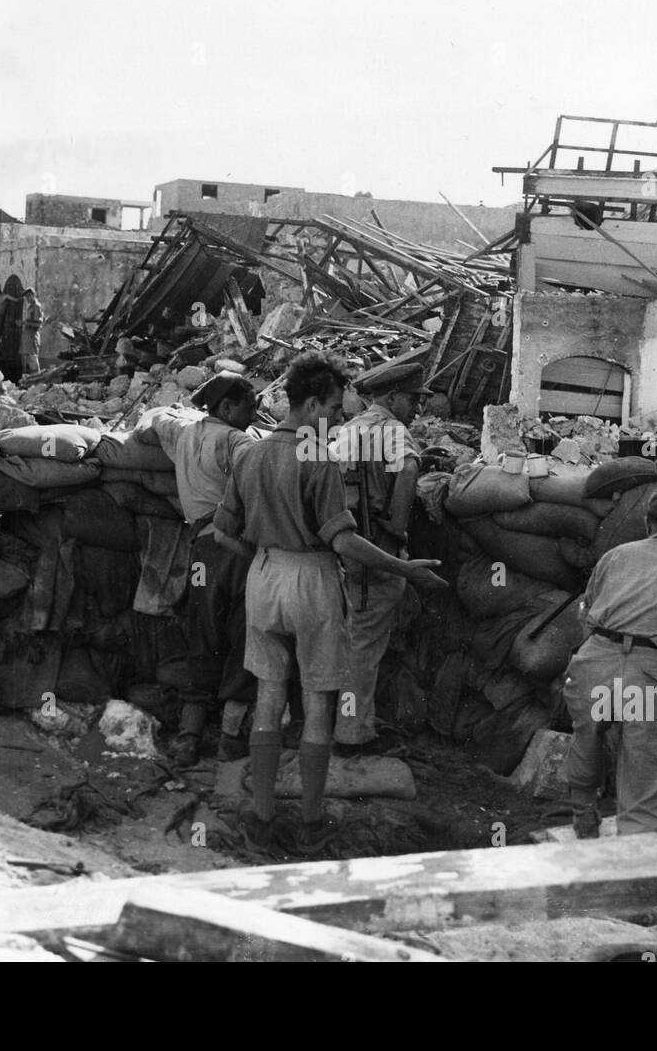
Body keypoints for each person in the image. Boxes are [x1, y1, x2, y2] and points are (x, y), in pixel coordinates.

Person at [212, 351, 447, 853]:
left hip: (264, 576)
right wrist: (402, 566)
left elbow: (221, 530)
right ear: (313, 402)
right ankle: (312, 822)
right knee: (318, 704)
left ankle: (261, 816)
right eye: (336, 408)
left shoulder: (248, 452)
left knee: (270, 698)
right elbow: (342, 542)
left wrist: (262, 555)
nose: (340, 417)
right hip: (312, 577)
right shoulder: (317, 458)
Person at [556, 484, 657, 837]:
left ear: (649, 522)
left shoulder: (616, 556)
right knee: (650, 769)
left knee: (586, 740)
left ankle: (583, 815)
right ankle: (637, 852)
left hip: (595, 660)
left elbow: (587, 612)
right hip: (650, 670)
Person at [150, 371, 261, 765]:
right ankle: (231, 735)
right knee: (243, 634)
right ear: (227, 407)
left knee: (203, 632)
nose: (256, 412)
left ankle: (188, 734)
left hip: (200, 550)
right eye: (250, 405)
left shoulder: (184, 435)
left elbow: (158, 418)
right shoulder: (236, 441)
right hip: (235, 548)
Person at [331, 361, 432, 755]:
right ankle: (351, 735)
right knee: (364, 649)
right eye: (411, 399)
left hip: (347, 547)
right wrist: (397, 526)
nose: (417, 408)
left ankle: (351, 722)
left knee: (351, 639)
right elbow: (407, 472)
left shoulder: (345, 430)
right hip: (378, 549)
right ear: (391, 397)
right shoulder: (393, 431)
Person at [20, 287, 44, 375]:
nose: (27, 299)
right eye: (26, 297)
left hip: (32, 336)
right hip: (28, 336)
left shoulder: (36, 306)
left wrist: (24, 323)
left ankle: (37, 380)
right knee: (29, 360)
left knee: (33, 359)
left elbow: (38, 324)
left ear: (34, 295)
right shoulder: (31, 306)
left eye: (29, 296)